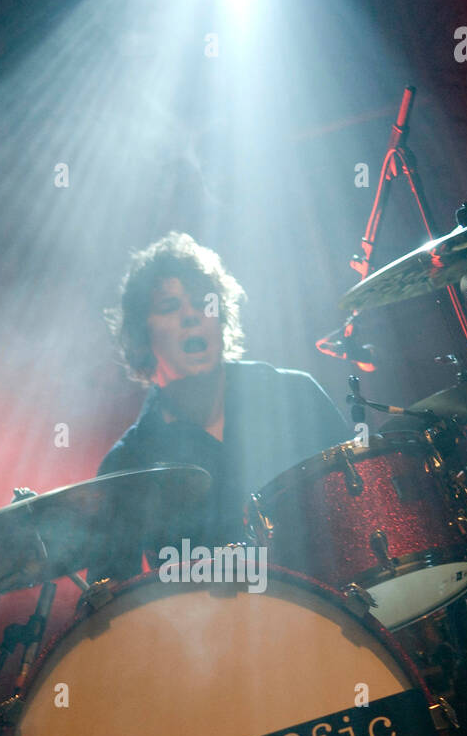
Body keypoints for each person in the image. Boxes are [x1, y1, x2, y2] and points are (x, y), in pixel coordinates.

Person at [91, 231, 350, 581]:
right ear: (141, 337)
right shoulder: (127, 465)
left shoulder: (293, 395)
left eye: (203, 303)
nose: (191, 316)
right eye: (170, 307)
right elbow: (112, 603)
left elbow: (361, 498)